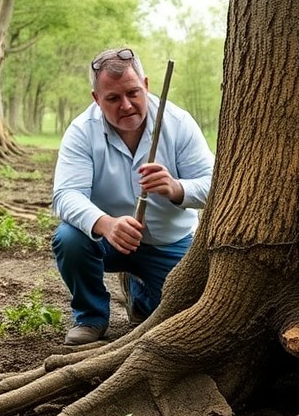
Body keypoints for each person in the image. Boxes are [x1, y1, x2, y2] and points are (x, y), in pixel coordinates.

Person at [51, 47, 213, 345]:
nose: (126, 106)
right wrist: (105, 224)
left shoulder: (178, 122)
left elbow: (214, 186)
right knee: (69, 238)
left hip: (168, 242)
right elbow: (66, 194)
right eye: (113, 98)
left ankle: (139, 293)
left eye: (133, 93)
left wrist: (176, 188)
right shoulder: (82, 131)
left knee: (177, 318)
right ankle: (91, 317)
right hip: (107, 241)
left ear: (146, 85)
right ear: (96, 99)